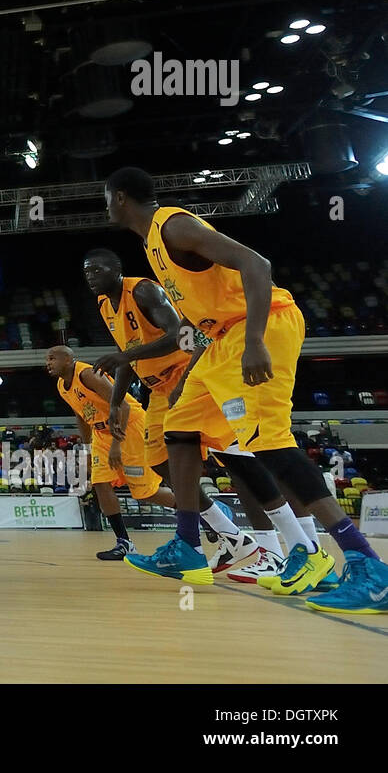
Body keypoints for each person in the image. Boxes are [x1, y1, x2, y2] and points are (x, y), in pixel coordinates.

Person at [105, 167, 387, 612]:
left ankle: (367, 565)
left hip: (258, 327)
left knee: (268, 444)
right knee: (177, 430)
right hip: (217, 343)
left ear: (120, 197)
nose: (106, 206)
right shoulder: (152, 245)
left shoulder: (174, 226)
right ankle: (187, 545)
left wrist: (254, 340)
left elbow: (257, 264)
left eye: (107, 198)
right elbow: (202, 321)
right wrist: (193, 377)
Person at [83, 249, 261, 574]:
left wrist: (126, 357)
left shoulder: (142, 290)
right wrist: (113, 404)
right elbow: (128, 356)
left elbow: (182, 336)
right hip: (155, 390)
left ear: (116, 269)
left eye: (96, 269)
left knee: (233, 458)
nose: (90, 275)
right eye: (86, 271)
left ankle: (269, 542)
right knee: (161, 464)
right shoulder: (104, 306)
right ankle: (232, 535)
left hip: (186, 377)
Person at [45, 346, 176, 561]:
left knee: (146, 493)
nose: (48, 363)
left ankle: (203, 512)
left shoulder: (87, 374)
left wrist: (117, 443)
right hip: (101, 433)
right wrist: (87, 449)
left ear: (68, 359)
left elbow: (123, 407)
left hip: (128, 428)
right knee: (100, 482)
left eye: (52, 358)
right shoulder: (62, 385)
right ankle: (124, 543)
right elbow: (81, 415)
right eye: (46, 359)